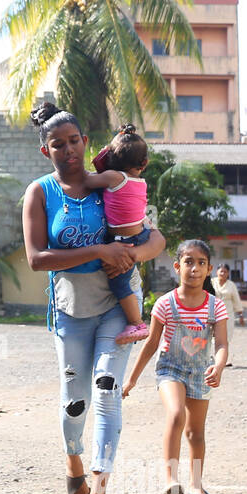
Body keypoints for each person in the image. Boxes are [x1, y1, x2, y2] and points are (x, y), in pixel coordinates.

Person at [22, 102, 167, 494]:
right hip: (69, 307)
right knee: (75, 402)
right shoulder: (40, 192)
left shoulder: (112, 183)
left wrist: (131, 254)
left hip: (116, 306)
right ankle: (74, 466)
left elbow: (155, 236)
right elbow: (36, 258)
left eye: (73, 142)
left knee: (107, 391)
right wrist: (101, 250)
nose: (67, 150)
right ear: (45, 151)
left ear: (85, 143)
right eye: (57, 145)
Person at [123, 240, 228, 494]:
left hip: (200, 372)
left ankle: (196, 485)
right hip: (170, 368)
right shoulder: (164, 304)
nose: (194, 268)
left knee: (196, 434)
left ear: (209, 269)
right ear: (177, 266)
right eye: (189, 262)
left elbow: (223, 344)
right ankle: (170, 479)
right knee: (176, 413)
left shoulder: (215, 307)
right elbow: (151, 343)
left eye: (201, 263)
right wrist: (132, 379)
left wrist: (218, 366)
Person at [82, 124, 151, 344]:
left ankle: (136, 323)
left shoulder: (114, 177)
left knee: (119, 285)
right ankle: (134, 321)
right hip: (139, 236)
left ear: (112, 158)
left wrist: (102, 157)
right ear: (145, 163)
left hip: (123, 241)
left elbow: (85, 181)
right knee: (122, 280)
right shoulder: (140, 182)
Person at [211, 263, 244, 366]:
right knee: (212, 337)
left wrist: (240, 314)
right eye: (220, 271)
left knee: (226, 338)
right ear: (216, 272)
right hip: (212, 314)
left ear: (228, 273)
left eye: (225, 271)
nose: (222, 273)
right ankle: (211, 358)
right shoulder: (211, 282)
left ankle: (223, 360)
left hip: (227, 315)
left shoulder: (231, 285)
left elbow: (236, 300)